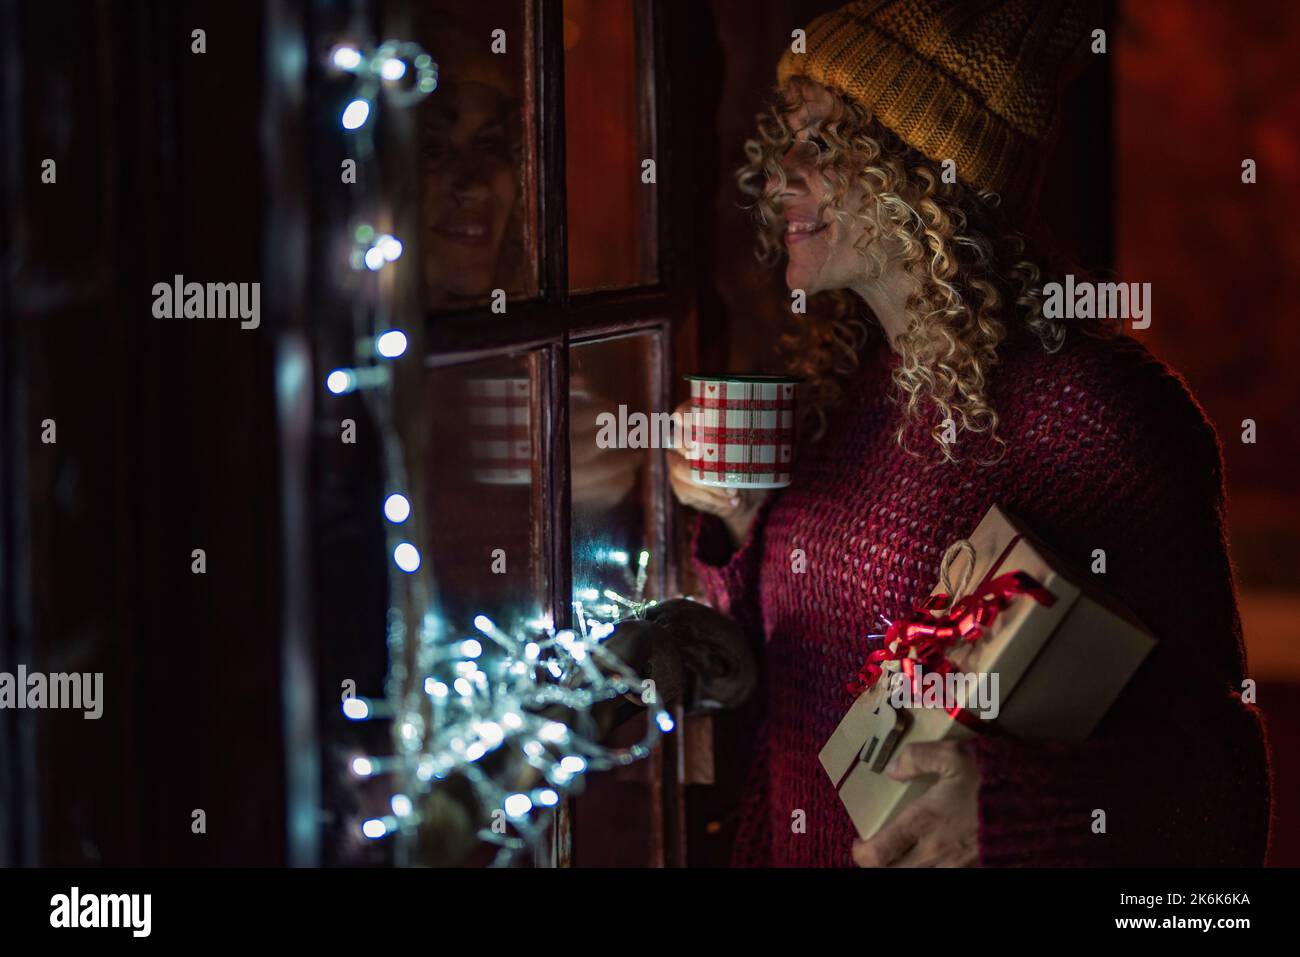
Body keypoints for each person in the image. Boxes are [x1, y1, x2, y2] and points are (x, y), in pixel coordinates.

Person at [670, 0, 1271, 867]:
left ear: (928, 175)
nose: (778, 177)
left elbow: (1220, 797)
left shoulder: (1098, 417)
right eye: (785, 141)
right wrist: (733, 526)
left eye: (825, 145)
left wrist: (1014, 808)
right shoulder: (845, 393)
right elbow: (792, 684)